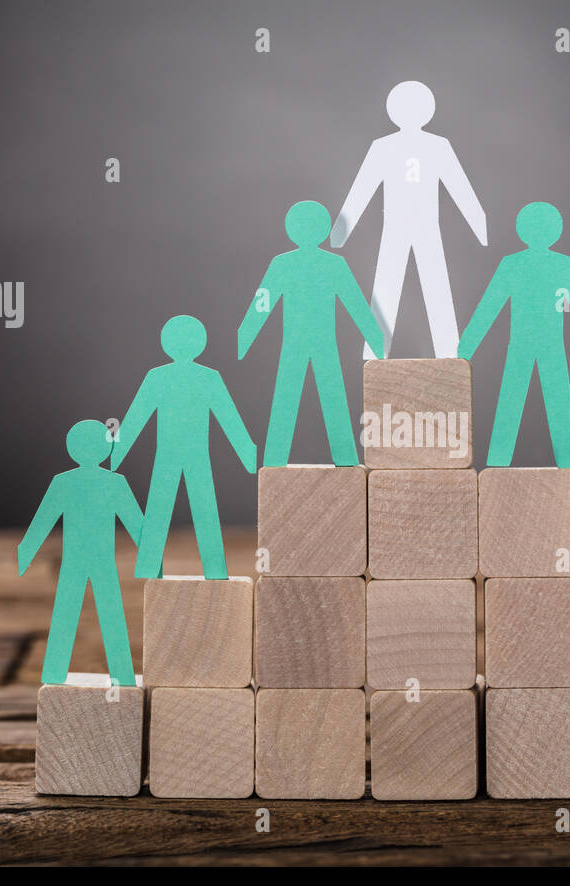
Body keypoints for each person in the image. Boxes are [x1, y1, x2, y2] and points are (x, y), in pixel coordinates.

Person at [331, 80, 487, 359]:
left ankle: (395, 349)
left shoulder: (388, 146)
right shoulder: (433, 145)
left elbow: (362, 189)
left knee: (395, 284)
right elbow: (461, 189)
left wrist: (340, 233)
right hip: (415, 224)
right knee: (421, 283)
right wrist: (479, 225)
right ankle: (445, 350)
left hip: (407, 224)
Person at [459, 201, 570, 467]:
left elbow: (488, 307)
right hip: (542, 343)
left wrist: (466, 347)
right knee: (552, 399)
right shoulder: (562, 264)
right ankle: (562, 461)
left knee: (517, 397)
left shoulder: (515, 264)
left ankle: (501, 460)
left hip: (527, 343)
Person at [239, 201, 385, 466]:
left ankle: (277, 459)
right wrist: (376, 339)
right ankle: (342, 459)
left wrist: (244, 338)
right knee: (329, 398)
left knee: (291, 397)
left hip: (301, 343)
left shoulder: (284, 264)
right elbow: (357, 304)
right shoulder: (331, 264)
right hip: (319, 343)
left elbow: (261, 304)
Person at [111, 315, 256, 579]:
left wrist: (116, 454)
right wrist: (247, 453)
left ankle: (149, 565)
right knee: (204, 510)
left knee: (159, 508)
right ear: (200, 343)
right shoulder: (208, 377)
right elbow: (230, 418)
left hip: (169, 455)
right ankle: (213, 570)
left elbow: (134, 419)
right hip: (194, 455)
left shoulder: (158, 376)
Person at [17, 419, 143, 686]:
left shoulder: (64, 482)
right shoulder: (114, 482)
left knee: (66, 613)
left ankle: (55, 673)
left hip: (76, 561)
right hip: (100, 560)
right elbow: (137, 525)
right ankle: (122, 676)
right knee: (110, 615)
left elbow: (42, 522)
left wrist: (25, 553)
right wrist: (153, 555)